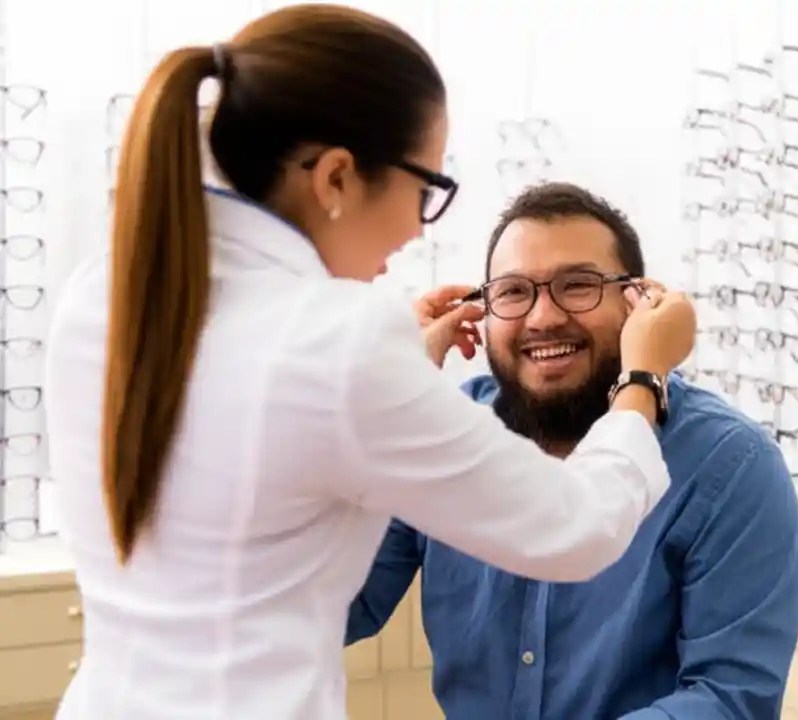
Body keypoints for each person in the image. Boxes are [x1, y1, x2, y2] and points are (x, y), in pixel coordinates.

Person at [43, 7, 696, 719]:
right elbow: (577, 527)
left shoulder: (104, 295)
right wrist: (642, 378)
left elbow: (254, 457)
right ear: (335, 178)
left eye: (574, 285)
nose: (420, 227)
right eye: (426, 190)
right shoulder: (340, 345)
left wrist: (396, 376)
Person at [347, 182, 798, 719]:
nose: (543, 317)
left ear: (640, 303)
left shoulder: (732, 465)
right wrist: (388, 404)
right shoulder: (441, 434)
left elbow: (730, 701)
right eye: (514, 291)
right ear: (481, 311)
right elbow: (334, 605)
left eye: (578, 285)